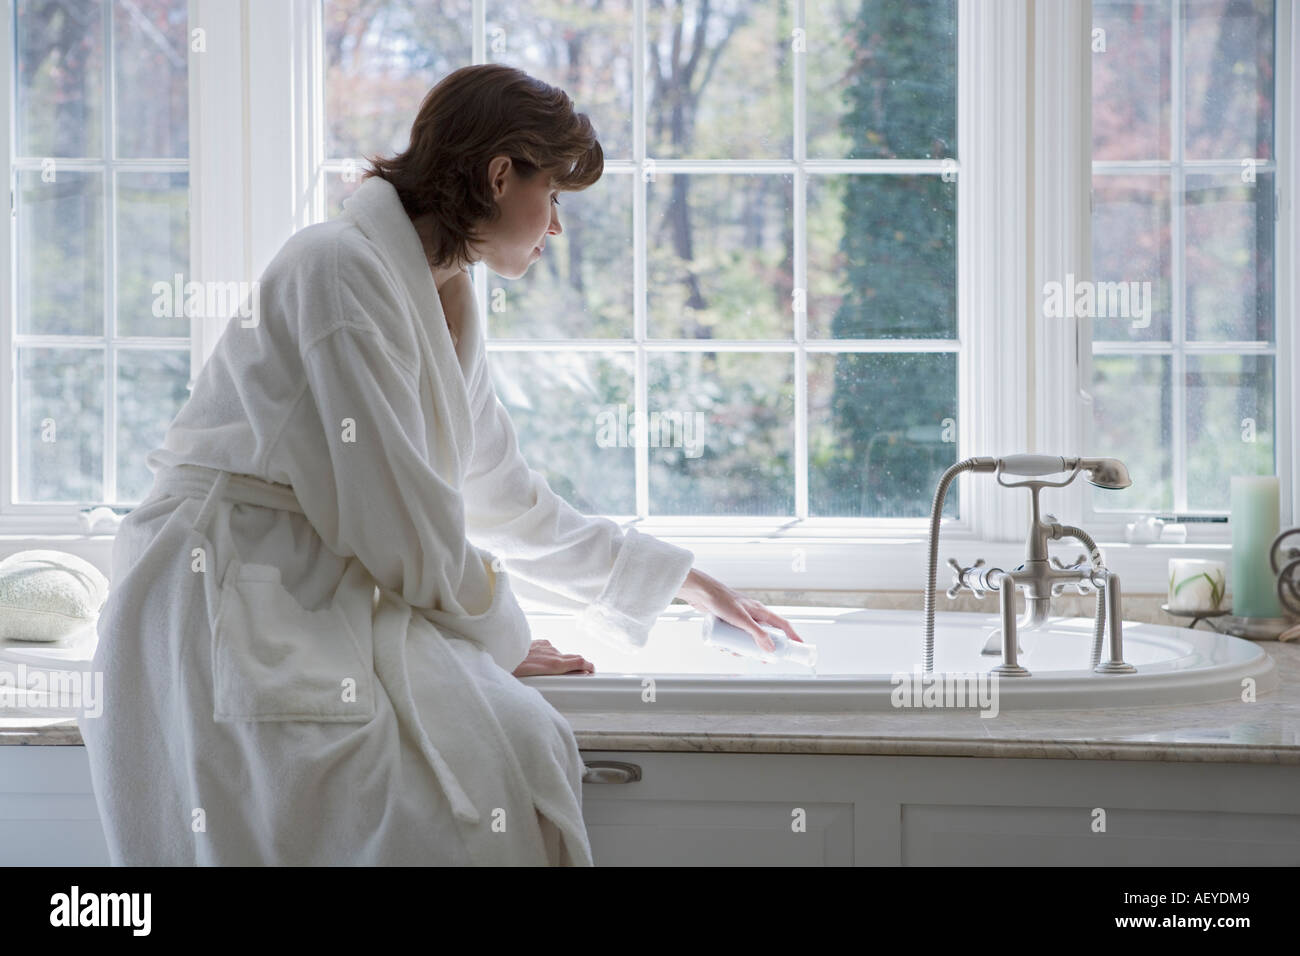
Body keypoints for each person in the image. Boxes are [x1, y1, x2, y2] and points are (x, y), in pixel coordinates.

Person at [81, 63, 801, 866]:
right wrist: (498, 633)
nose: (556, 226)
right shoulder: (338, 269)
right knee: (426, 802)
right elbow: (399, 524)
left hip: (312, 584)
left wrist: (678, 581)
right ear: (500, 175)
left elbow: (499, 494)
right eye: (552, 196)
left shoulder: (445, 288)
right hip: (227, 590)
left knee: (520, 737)